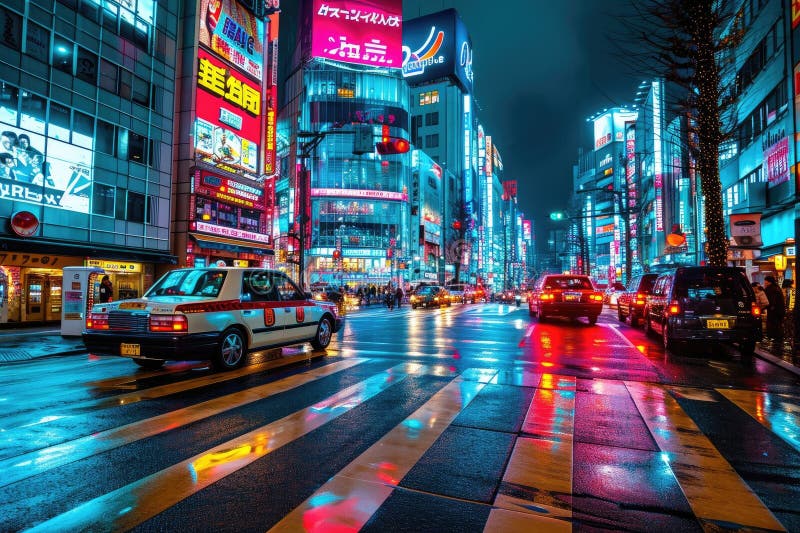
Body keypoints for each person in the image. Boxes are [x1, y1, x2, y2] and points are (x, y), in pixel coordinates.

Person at [763, 276, 785, 344]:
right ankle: (778, 339)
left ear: (769, 282)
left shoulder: (771, 289)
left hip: (774, 310)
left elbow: (771, 300)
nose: (764, 282)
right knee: (777, 324)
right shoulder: (776, 287)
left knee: (774, 324)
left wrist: (766, 307)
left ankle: (776, 339)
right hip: (779, 310)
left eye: (765, 281)